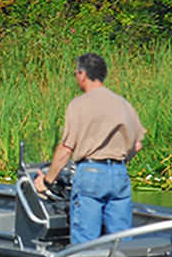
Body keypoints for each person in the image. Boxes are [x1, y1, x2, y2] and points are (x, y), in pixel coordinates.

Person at [34, 53, 146, 244]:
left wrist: (47, 180)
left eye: (75, 73)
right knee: (123, 239)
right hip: (119, 173)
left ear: (82, 74)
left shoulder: (79, 105)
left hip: (91, 172)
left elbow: (66, 149)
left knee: (85, 240)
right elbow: (137, 145)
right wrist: (120, 161)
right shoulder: (123, 104)